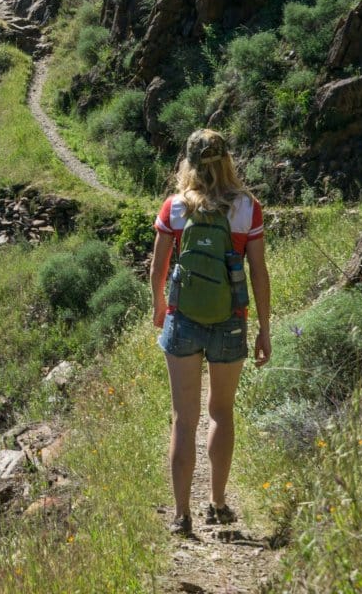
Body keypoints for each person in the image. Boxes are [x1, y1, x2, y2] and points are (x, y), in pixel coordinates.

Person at [148, 128, 271, 538]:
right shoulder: (247, 209)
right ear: (227, 162)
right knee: (221, 412)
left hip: (183, 320)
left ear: (188, 164)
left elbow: (158, 268)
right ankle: (217, 505)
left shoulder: (175, 208)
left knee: (184, 419)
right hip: (229, 321)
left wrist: (160, 309)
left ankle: (181, 516)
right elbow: (258, 273)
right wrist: (264, 328)